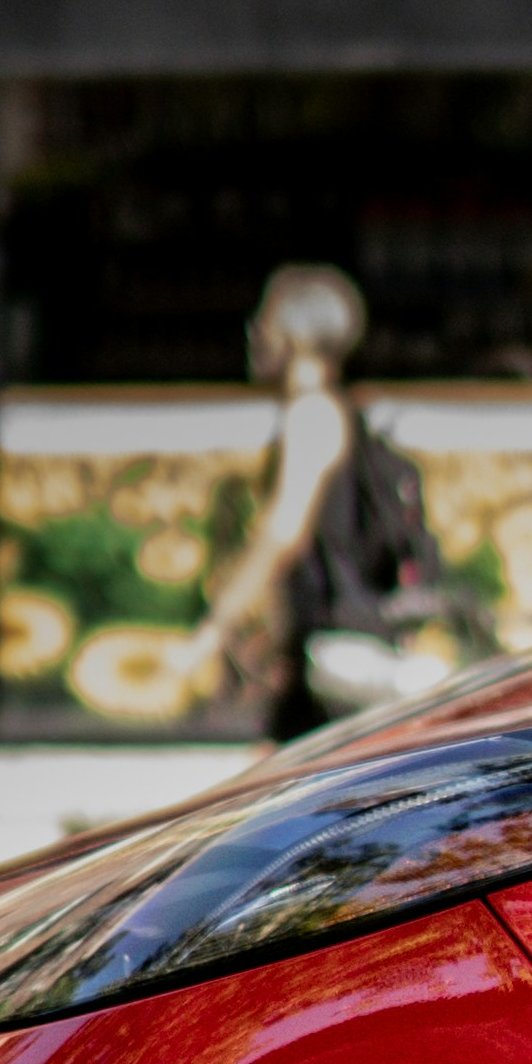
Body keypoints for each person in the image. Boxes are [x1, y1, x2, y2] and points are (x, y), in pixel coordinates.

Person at [198, 262, 447, 734]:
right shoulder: (336, 413)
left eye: (265, 320)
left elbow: (283, 532)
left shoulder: (312, 412)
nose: (254, 332)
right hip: (333, 649)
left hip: (334, 654)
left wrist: (216, 625)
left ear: (294, 335)